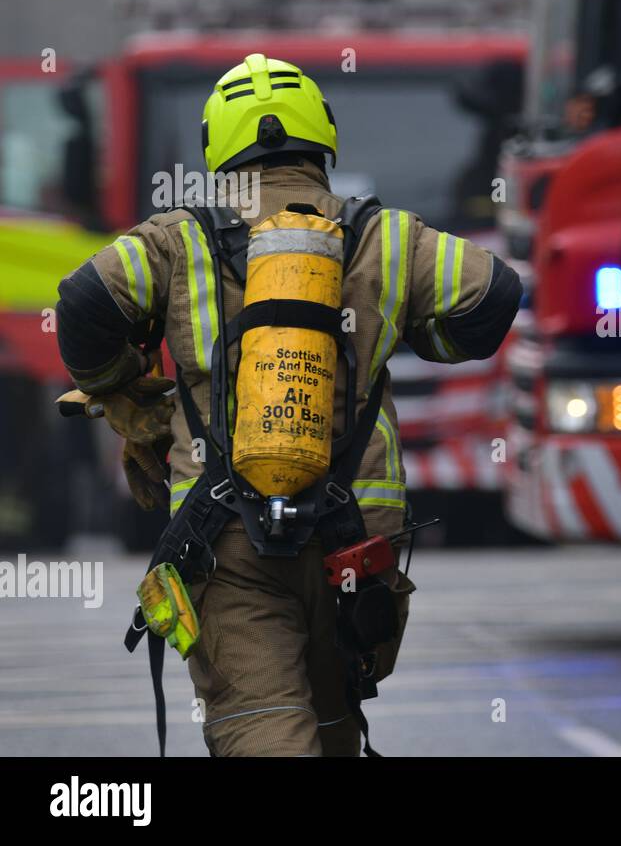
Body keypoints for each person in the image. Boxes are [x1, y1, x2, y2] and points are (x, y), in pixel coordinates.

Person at [55, 53, 521, 756]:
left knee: (263, 722)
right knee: (334, 726)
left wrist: (123, 389)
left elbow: (82, 304)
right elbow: (495, 297)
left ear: (220, 150)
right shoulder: (386, 238)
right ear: (323, 136)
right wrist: (411, 331)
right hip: (358, 539)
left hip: (226, 539)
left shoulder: (179, 241)